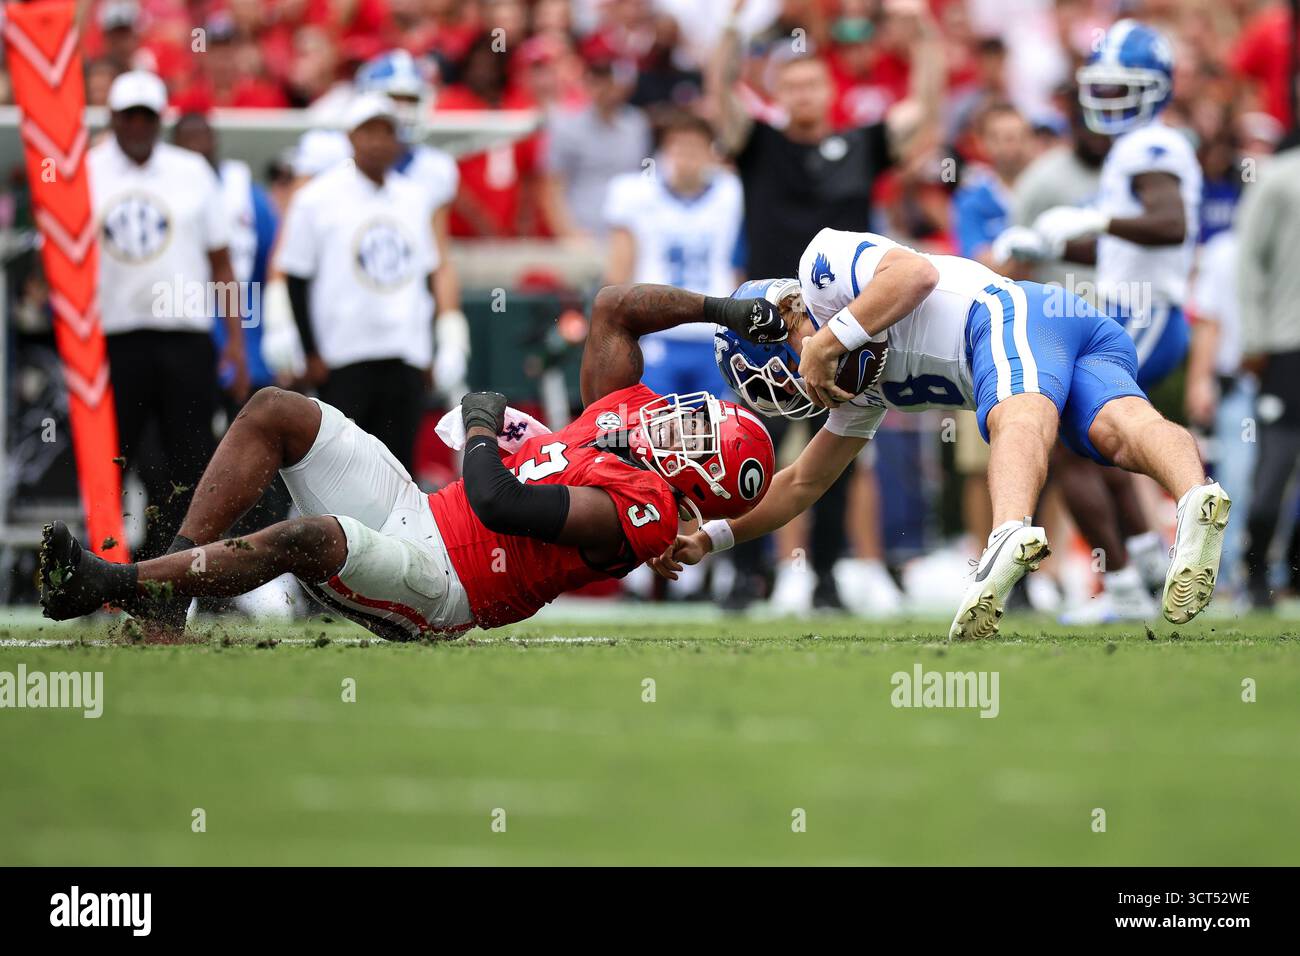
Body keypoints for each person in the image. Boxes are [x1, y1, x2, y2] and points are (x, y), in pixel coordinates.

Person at [37, 286, 783, 639]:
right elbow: (617, 306)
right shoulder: (626, 413)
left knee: (311, 537)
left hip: (443, 588)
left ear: (704, 482)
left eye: (701, 439)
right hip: (421, 512)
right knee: (274, 410)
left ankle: (118, 583)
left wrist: (486, 427)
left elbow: (502, 506)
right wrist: (722, 312)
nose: (684, 422)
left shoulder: (644, 516)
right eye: (701, 417)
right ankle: (171, 596)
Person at [660, 225, 1231, 640]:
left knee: (1015, 411)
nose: (809, 386)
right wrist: (711, 537)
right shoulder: (856, 389)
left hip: (1008, 312)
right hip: (1063, 322)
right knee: (1120, 429)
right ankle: (1195, 495)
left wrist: (831, 341)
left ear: (781, 318)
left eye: (790, 370)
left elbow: (917, 272)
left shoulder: (821, 266)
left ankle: (1007, 535)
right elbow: (802, 484)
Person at [995, 20, 1201, 622]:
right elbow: (1123, 251)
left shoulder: (1149, 146)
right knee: (1085, 443)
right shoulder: (1135, 148)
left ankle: (1132, 579)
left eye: (1121, 89)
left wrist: (1095, 223)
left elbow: (1171, 225)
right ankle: (1142, 565)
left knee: (1064, 440)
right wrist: (1048, 245)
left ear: (1154, 88)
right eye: (1102, 88)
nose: (1107, 102)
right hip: (1132, 307)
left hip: (1145, 314)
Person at [87, 71, 247, 575]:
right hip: (113, 338)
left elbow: (222, 262)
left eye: (146, 116)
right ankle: (104, 569)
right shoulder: (86, 169)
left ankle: (176, 574)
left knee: (190, 463)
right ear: (112, 118)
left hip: (185, 339)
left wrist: (235, 343)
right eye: (128, 115)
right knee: (112, 460)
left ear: (161, 120)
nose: (137, 125)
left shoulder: (192, 170)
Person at [275, 94, 440, 472]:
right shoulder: (317, 198)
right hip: (343, 354)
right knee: (343, 466)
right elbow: (296, 276)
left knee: (399, 467)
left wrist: (428, 347)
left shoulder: (415, 197)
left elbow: (425, 277)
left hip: (403, 351)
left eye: (387, 131)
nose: (379, 141)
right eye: (370, 131)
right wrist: (311, 352)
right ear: (351, 137)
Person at [354, 50, 470, 402]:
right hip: (345, 316)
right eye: (394, 99)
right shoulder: (329, 157)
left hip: (404, 318)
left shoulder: (433, 170)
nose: (402, 110)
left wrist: (451, 332)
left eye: (410, 99)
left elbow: (439, 259)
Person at [603, 113, 743, 397]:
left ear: (711, 153)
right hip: (657, 330)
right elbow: (619, 268)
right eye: (679, 147)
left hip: (715, 333)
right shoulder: (635, 193)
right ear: (663, 152)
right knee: (655, 427)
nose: (687, 157)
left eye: (695, 148)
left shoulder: (733, 192)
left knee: (719, 432)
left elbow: (740, 262)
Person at [1238, 141, 1300, 610]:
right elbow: (1248, 259)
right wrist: (1255, 339)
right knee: (1274, 469)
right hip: (1287, 345)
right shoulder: (1279, 176)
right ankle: (1256, 573)